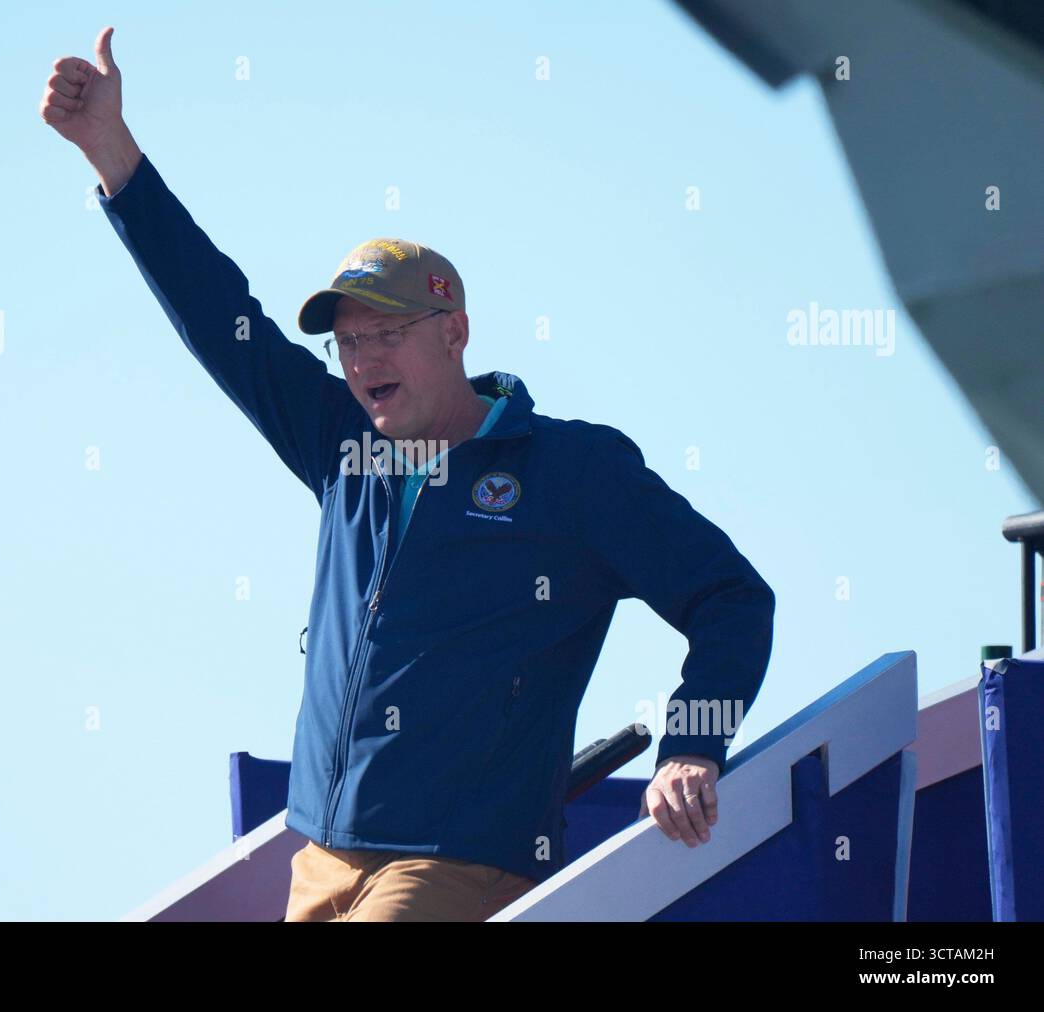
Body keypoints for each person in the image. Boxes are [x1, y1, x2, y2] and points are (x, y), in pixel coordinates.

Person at [40, 27, 776, 922]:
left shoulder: (574, 469)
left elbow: (731, 596)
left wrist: (689, 746)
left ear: (454, 334)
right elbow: (218, 316)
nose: (361, 358)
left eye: (387, 334)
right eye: (348, 341)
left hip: (460, 860)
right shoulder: (341, 445)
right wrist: (112, 153)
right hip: (318, 853)